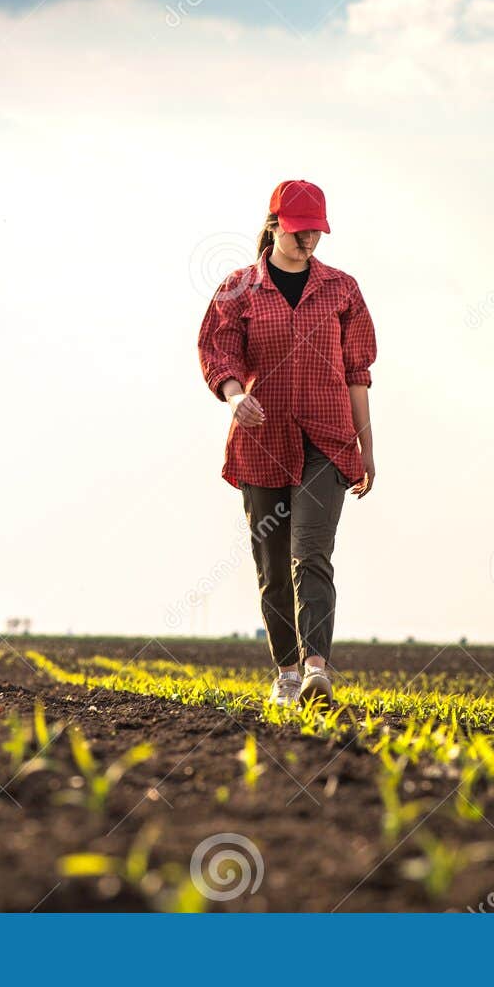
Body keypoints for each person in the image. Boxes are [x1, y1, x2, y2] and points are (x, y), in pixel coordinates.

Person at [196, 179, 376, 707]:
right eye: (299, 231)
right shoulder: (238, 289)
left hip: (328, 441)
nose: (309, 241)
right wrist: (234, 397)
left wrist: (366, 448)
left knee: (311, 553)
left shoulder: (342, 290)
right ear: (274, 225)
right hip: (262, 444)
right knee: (273, 567)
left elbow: (356, 372)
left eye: (316, 232)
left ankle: (318, 669)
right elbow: (217, 350)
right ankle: (288, 674)